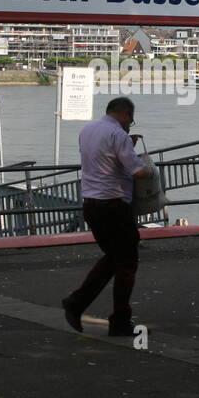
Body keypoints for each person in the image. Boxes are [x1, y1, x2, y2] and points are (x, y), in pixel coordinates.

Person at [61, 96, 154, 336]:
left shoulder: (87, 130)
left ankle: (80, 304)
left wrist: (126, 147)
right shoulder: (119, 136)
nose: (129, 126)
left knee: (115, 258)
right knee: (127, 263)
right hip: (114, 205)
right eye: (130, 121)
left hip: (91, 205)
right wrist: (150, 169)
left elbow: (104, 158)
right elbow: (138, 172)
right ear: (125, 114)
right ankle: (116, 320)